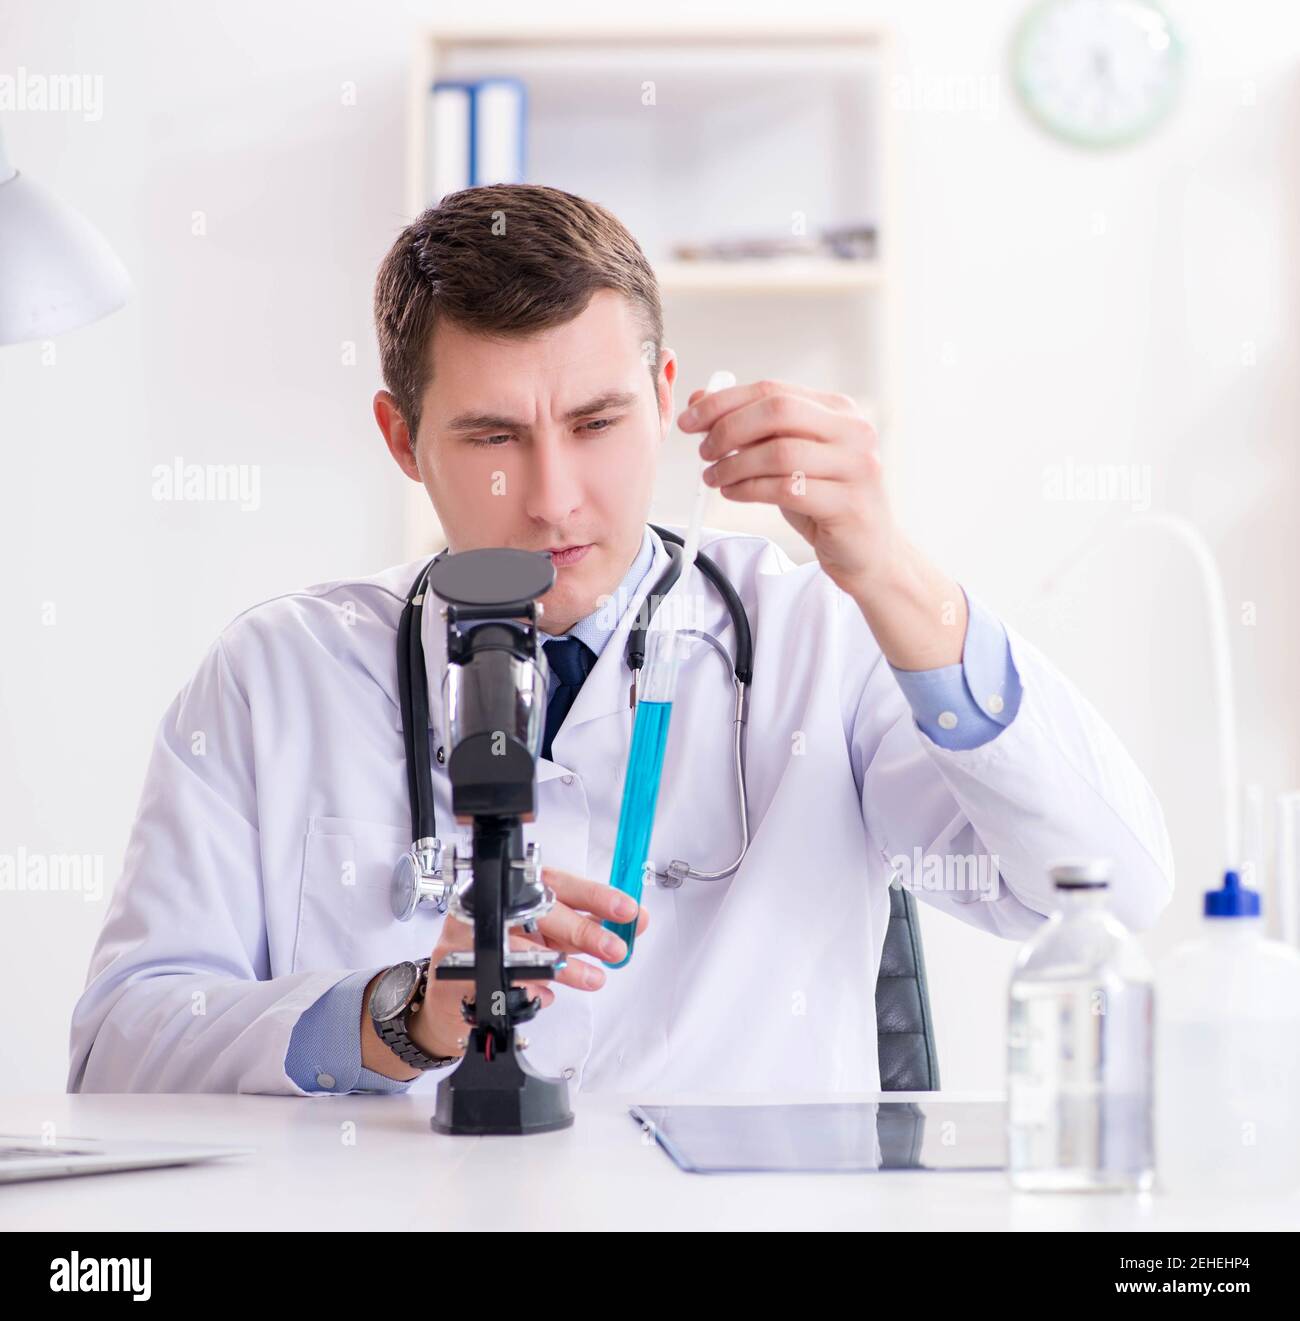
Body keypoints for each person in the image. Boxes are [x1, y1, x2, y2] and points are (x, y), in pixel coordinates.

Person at [68, 184, 1174, 1096]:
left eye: (596, 425)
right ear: (402, 440)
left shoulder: (814, 635)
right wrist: (400, 1014)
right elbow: (119, 1047)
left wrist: (889, 570)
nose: (554, 500)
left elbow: (1109, 892)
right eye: (494, 434)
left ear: (663, 397)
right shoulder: (278, 673)